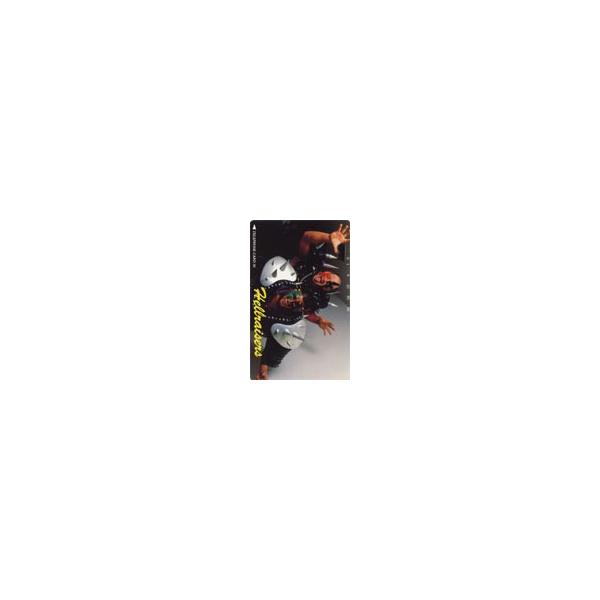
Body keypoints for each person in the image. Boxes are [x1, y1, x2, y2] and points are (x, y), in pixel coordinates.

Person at [256, 223, 349, 380]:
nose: (326, 280)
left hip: (265, 313)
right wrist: (328, 238)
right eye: (329, 276)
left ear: (326, 290)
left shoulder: (314, 297)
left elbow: (305, 313)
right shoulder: (310, 265)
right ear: (325, 271)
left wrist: (318, 320)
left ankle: (265, 365)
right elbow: (307, 237)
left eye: (330, 285)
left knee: (293, 332)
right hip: (261, 283)